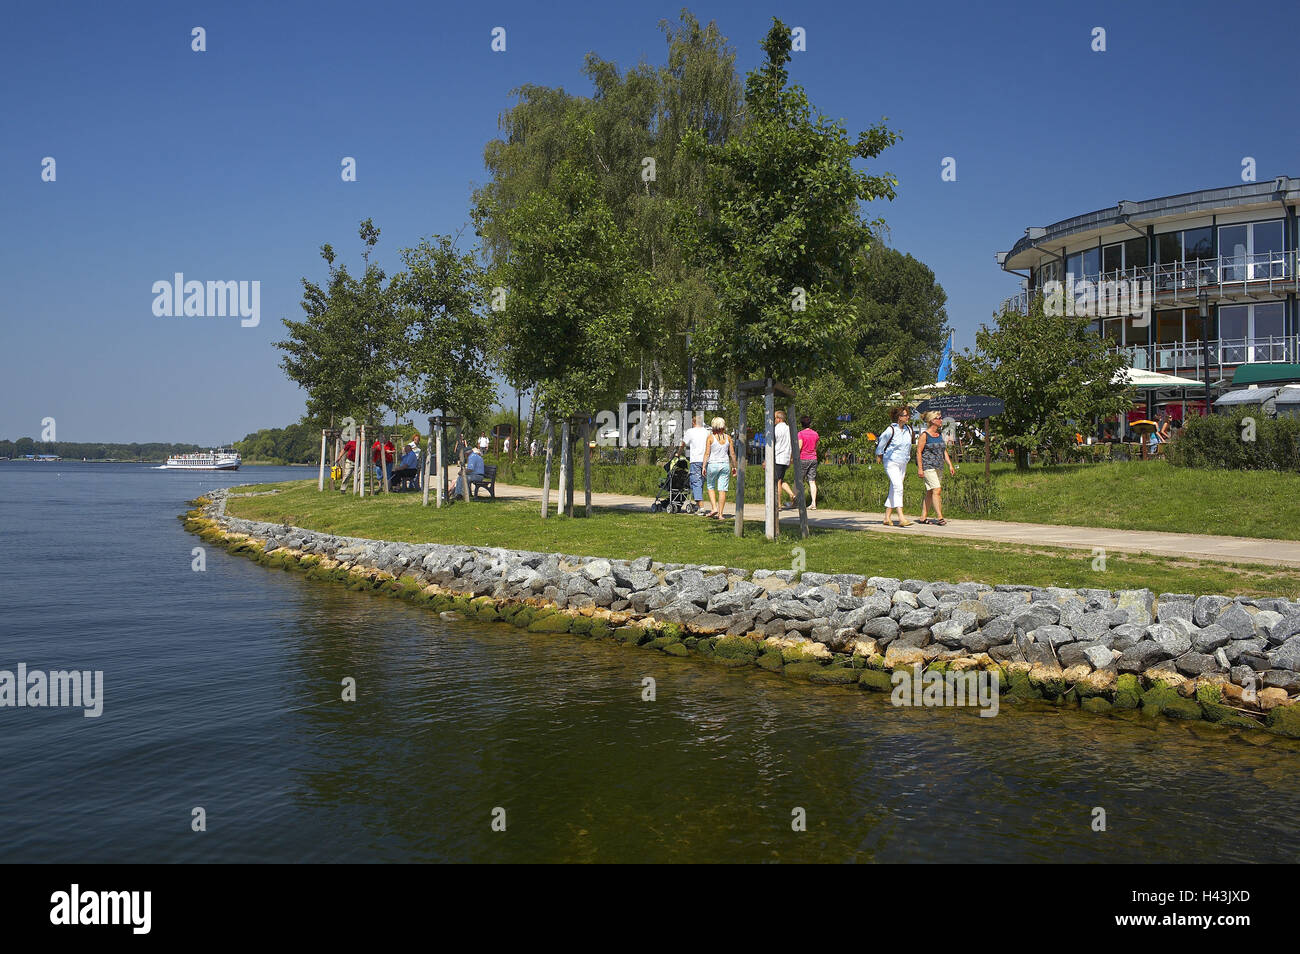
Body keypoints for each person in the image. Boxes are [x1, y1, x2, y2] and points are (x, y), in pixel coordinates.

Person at [875, 405, 914, 527]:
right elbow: (881, 442)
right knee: (898, 487)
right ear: (898, 417)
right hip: (891, 461)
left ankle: (887, 517)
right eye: (904, 415)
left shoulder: (909, 430)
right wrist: (879, 455)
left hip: (903, 462)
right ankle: (901, 517)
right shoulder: (890, 429)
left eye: (908, 415)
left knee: (894, 488)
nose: (907, 417)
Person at [916, 411, 956, 526]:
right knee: (937, 490)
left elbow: (944, 451)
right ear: (932, 420)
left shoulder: (939, 435)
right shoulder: (925, 435)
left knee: (930, 492)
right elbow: (919, 452)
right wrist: (920, 468)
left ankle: (923, 517)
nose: (941, 420)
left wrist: (950, 465)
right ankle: (940, 517)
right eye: (939, 418)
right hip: (928, 467)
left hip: (939, 466)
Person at [701, 417, 737, 521]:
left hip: (713, 464)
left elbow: (707, 453)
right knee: (722, 489)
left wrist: (703, 466)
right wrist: (734, 467)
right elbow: (732, 454)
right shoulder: (728, 438)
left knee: (710, 486)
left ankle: (714, 508)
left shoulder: (710, 438)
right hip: (725, 465)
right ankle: (720, 514)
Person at [678, 413, 711, 514]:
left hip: (696, 460)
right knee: (700, 483)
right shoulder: (707, 432)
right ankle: (698, 505)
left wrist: (678, 453)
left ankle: (701, 508)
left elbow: (683, 443)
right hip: (706, 460)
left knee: (695, 483)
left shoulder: (690, 431)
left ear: (693, 422)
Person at [797, 415, 820, 510]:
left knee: (799, 480)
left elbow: (799, 447)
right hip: (813, 458)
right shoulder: (815, 434)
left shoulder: (800, 434)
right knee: (812, 481)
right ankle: (813, 503)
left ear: (801, 424)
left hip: (803, 458)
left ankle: (798, 502)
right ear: (810, 423)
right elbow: (816, 446)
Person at [773, 410, 795, 510]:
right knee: (781, 479)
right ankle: (792, 494)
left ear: (779, 419)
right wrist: (790, 458)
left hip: (778, 457)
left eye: (775, 418)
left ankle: (778, 503)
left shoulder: (776, 429)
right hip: (786, 457)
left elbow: (773, 443)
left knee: (777, 481)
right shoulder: (788, 429)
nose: (774, 420)